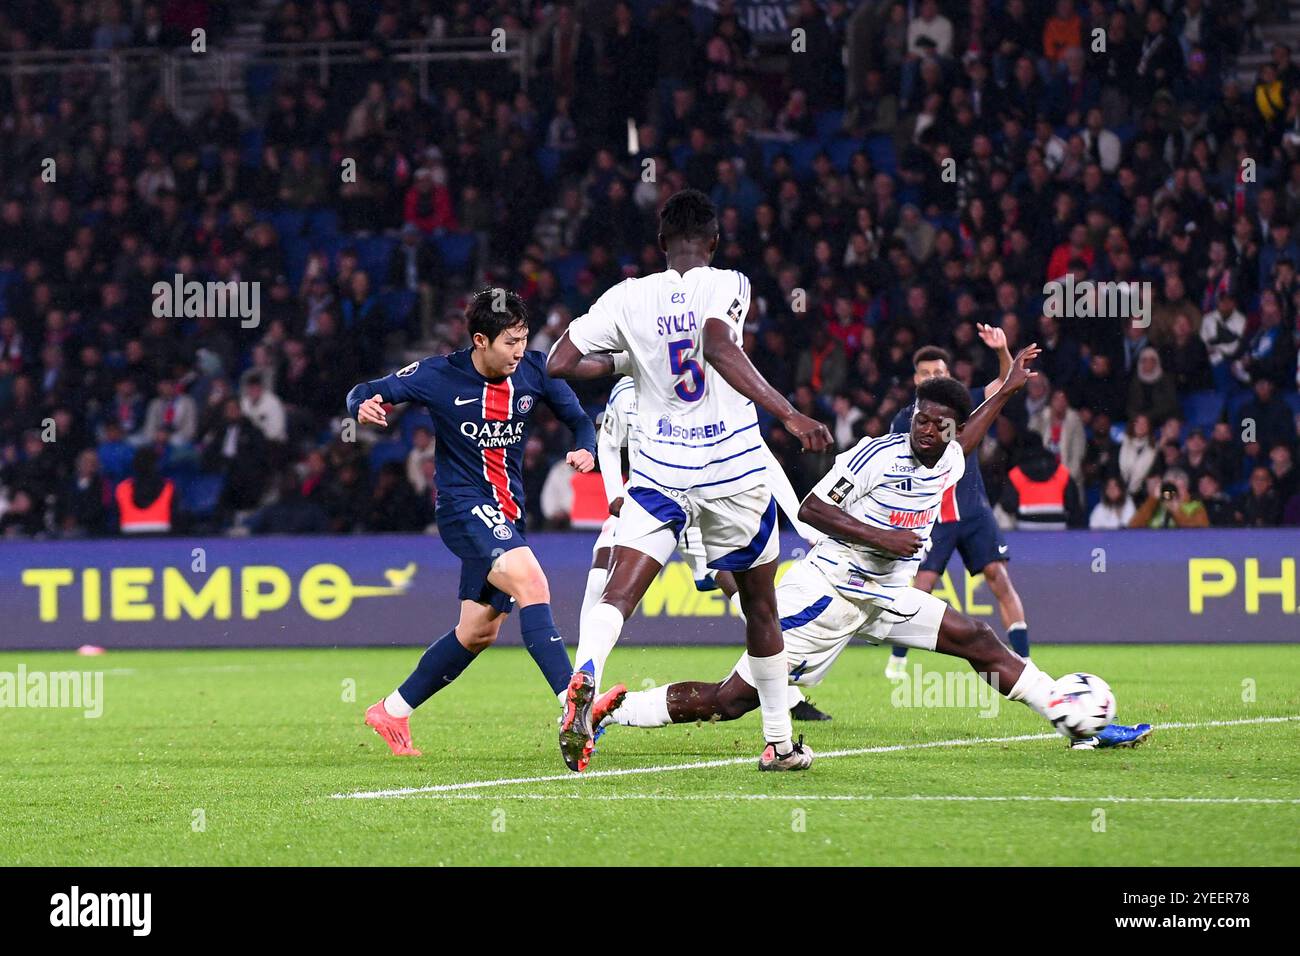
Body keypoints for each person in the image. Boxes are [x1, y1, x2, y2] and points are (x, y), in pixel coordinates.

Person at [602, 358, 1152, 750]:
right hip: (828, 593)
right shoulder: (874, 456)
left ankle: (1075, 723)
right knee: (732, 701)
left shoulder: (950, 461)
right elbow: (815, 509)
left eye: (941, 424)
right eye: (921, 418)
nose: (928, 430)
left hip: (885, 597)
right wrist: (882, 538)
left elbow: (969, 441)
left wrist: (1005, 391)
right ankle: (613, 711)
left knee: (979, 640)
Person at [548, 188, 834, 772]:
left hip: (657, 469)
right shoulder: (728, 282)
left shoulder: (627, 296)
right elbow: (718, 345)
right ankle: (780, 743)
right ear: (713, 241)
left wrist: (629, 359)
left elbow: (559, 362)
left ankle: (587, 673)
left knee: (620, 592)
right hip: (730, 467)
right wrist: (789, 413)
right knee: (760, 604)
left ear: (660, 243)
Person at [348, 288, 607, 770]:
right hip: (463, 508)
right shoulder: (437, 375)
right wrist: (361, 407)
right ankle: (572, 705)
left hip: (507, 515)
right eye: (509, 341)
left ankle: (391, 711)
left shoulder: (534, 370)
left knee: (477, 631)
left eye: (523, 339)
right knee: (533, 582)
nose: (518, 350)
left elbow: (580, 420)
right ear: (480, 340)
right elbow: (365, 390)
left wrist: (586, 448)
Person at [588, 373, 831, 721]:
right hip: (654, 503)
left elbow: (762, 460)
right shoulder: (630, 390)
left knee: (746, 597)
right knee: (604, 584)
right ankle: (580, 689)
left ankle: (785, 694)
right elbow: (609, 443)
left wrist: (799, 520)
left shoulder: (719, 392)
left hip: (699, 507)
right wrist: (614, 494)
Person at [884, 332, 1037, 680]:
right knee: (921, 585)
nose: (933, 377)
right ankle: (897, 659)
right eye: (926, 373)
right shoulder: (904, 420)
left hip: (972, 509)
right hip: (933, 515)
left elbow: (1001, 386)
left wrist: (1001, 350)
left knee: (999, 577)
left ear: (948, 374)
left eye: (939, 370)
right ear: (916, 379)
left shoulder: (965, 403)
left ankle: (1025, 659)